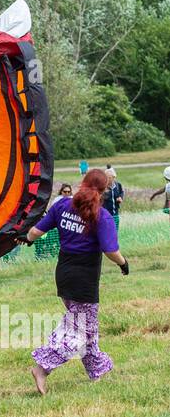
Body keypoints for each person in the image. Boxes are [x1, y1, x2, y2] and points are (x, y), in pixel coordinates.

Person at [24, 169, 129, 394]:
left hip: (64, 274)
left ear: (83, 184)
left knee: (87, 329)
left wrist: (28, 239)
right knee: (80, 331)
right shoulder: (101, 216)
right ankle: (42, 368)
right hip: (84, 280)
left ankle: (98, 371)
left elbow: (35, 231)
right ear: (103, 191)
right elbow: (111, 250)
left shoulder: (62, 206)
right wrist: (123, 263)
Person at [102, 166, 124, 232]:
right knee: (107, 233)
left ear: (114, 177)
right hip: (106, 216)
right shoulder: (103, 187)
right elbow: (101, 198)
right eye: (106, 178)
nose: (107, 179)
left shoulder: (118, 185)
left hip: (115, 215)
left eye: (109, 178)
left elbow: (121, 192)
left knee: (115, 233)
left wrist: (120, 198)